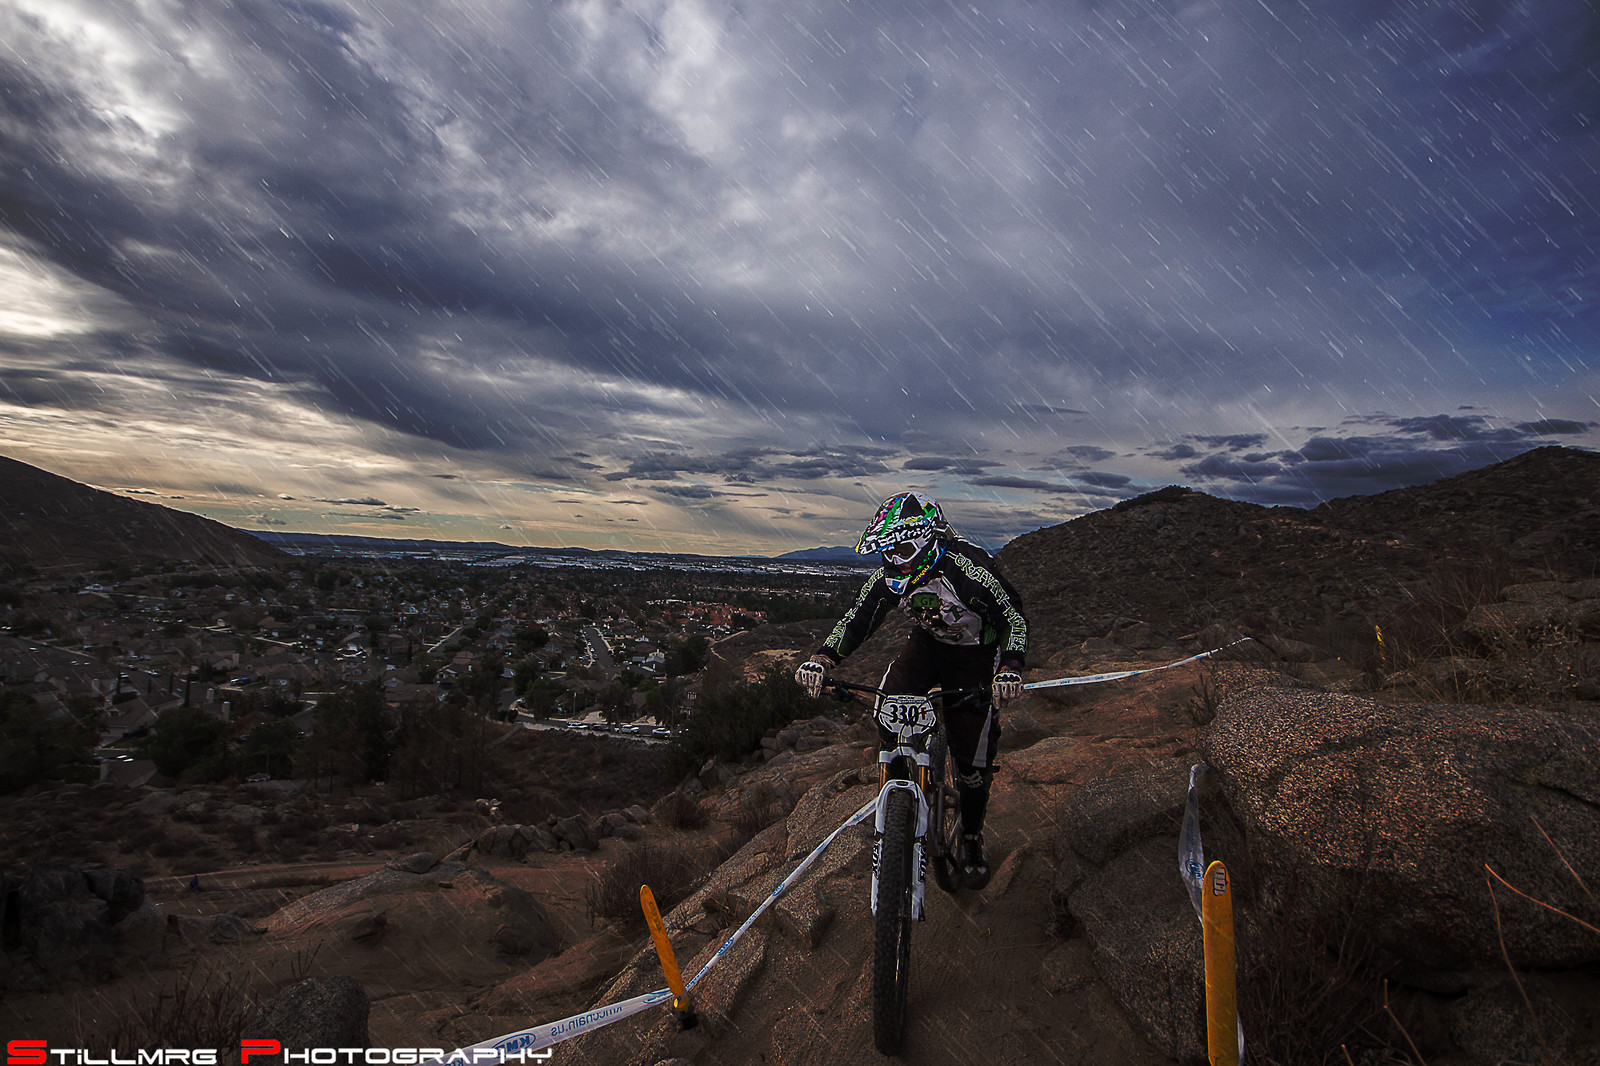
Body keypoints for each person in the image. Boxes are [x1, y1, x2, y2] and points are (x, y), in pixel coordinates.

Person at [795, 491, 1028, 889]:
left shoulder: (966, 569)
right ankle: (898, 792)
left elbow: (1013, 617)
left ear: (926, 541)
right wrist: (823, 659)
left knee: (973, 764)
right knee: (889, 699)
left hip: (976, 654)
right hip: (929, 646)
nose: (892, 560)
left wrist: (1009, 667)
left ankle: (971, 836)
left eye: (901, 548)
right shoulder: (890, 576)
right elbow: (857, 618)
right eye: (885, 551)